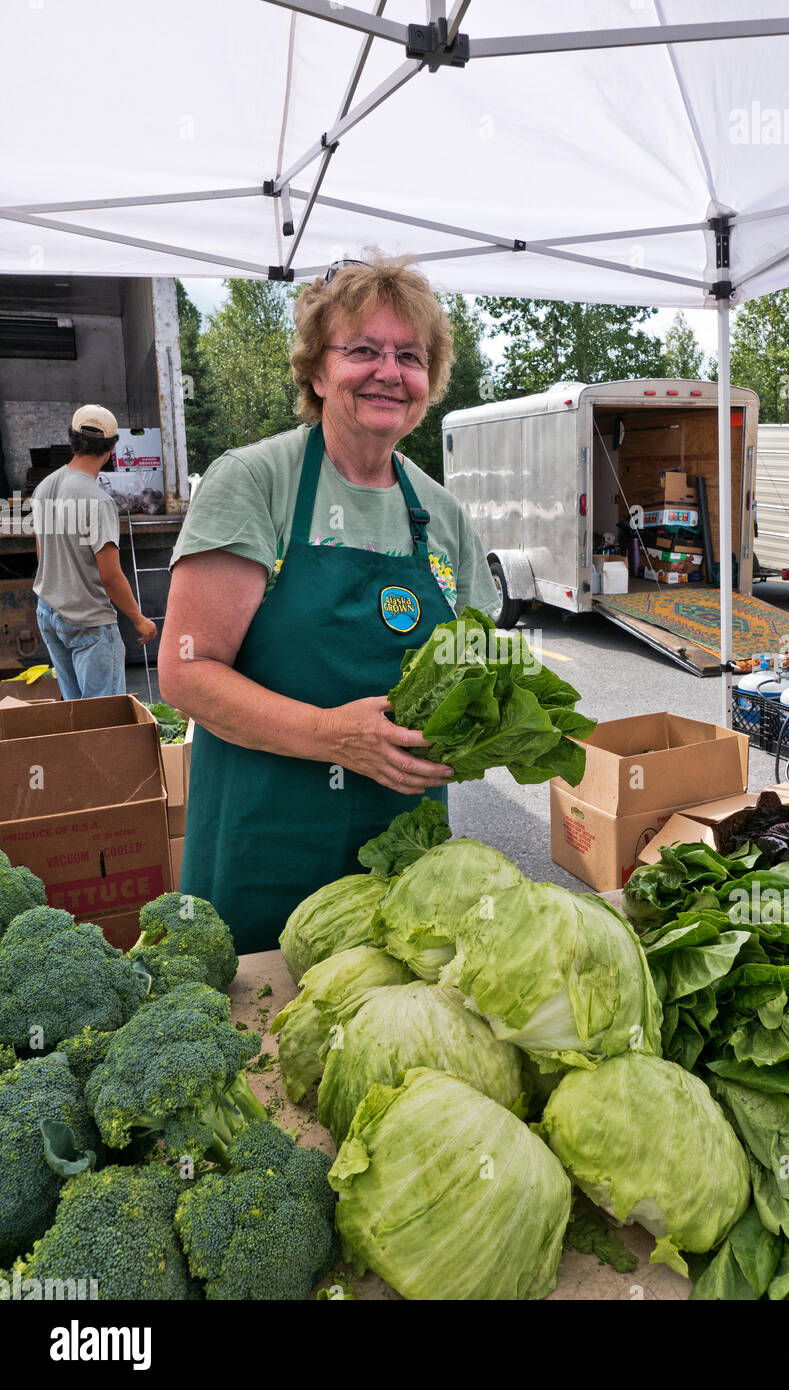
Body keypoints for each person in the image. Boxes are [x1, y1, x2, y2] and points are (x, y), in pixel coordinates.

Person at [158, 256, 498, 953]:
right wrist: (334, 737)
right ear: (316, 371)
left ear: (428, 380)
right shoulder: (255, 482)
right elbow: (186, 672)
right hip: (265, 851)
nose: (388, 370)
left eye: (409, 355)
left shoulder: (441, 513)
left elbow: (481, 664)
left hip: (407, 861)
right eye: (363, 350)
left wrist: (489, 732)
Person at [32, 405, 157, 700]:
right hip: (88, 619)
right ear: (113, 448)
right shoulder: (98, 501)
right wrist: (139, 618)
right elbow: (110, 575)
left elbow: (43, 556)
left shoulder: (43, 488)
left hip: (48, 612)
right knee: (104, 719)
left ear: (72, 439)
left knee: (78, 715)